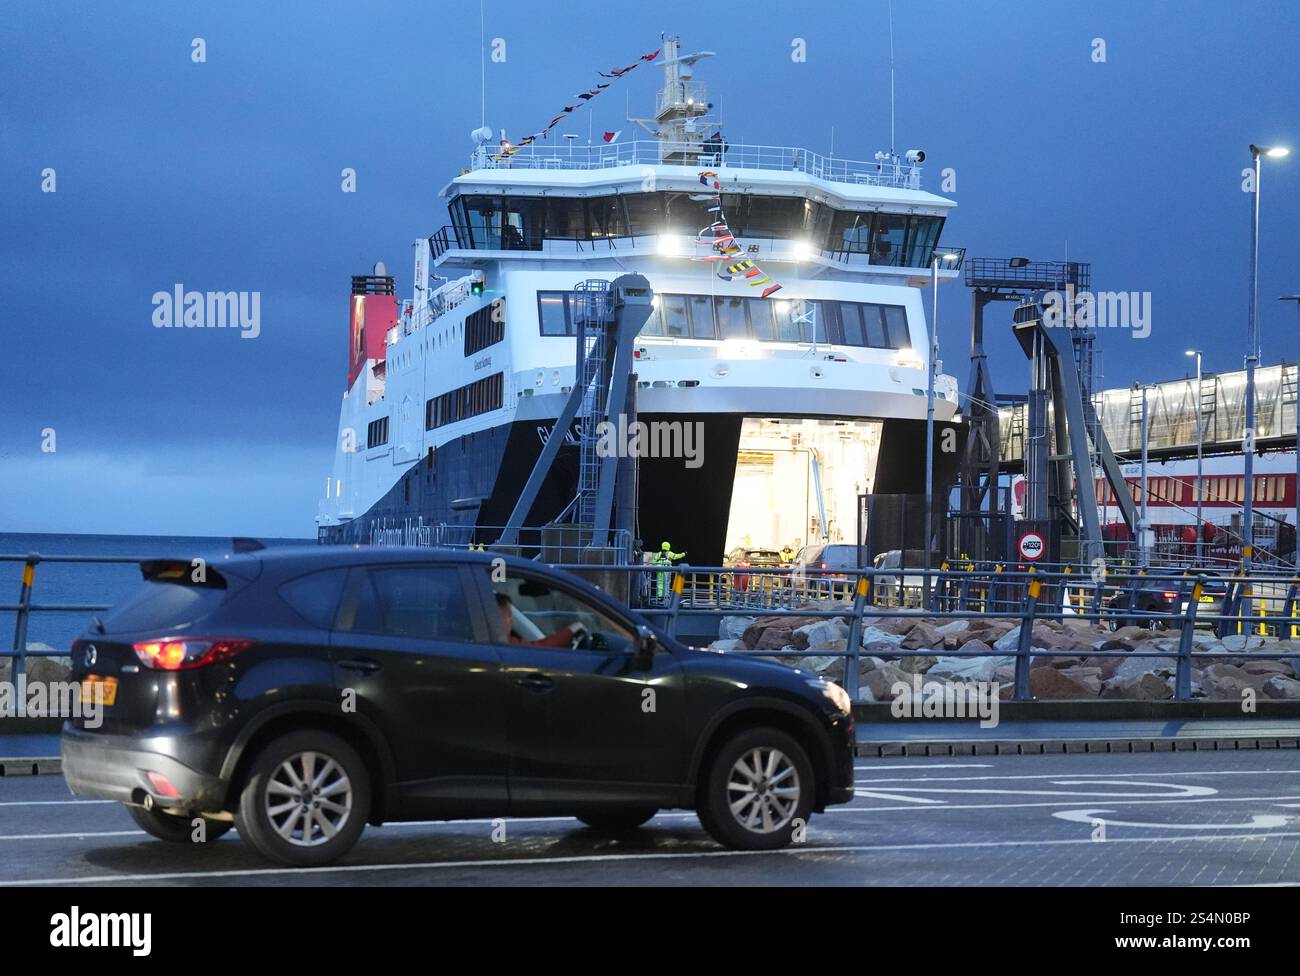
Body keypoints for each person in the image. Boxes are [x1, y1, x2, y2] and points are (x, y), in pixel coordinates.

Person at [495, 593, 587, 647]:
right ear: (495, 617)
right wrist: (571, 630)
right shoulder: (504, 644)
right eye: (509, 615)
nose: (511, 620)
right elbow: (540, 648)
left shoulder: (495, 642)